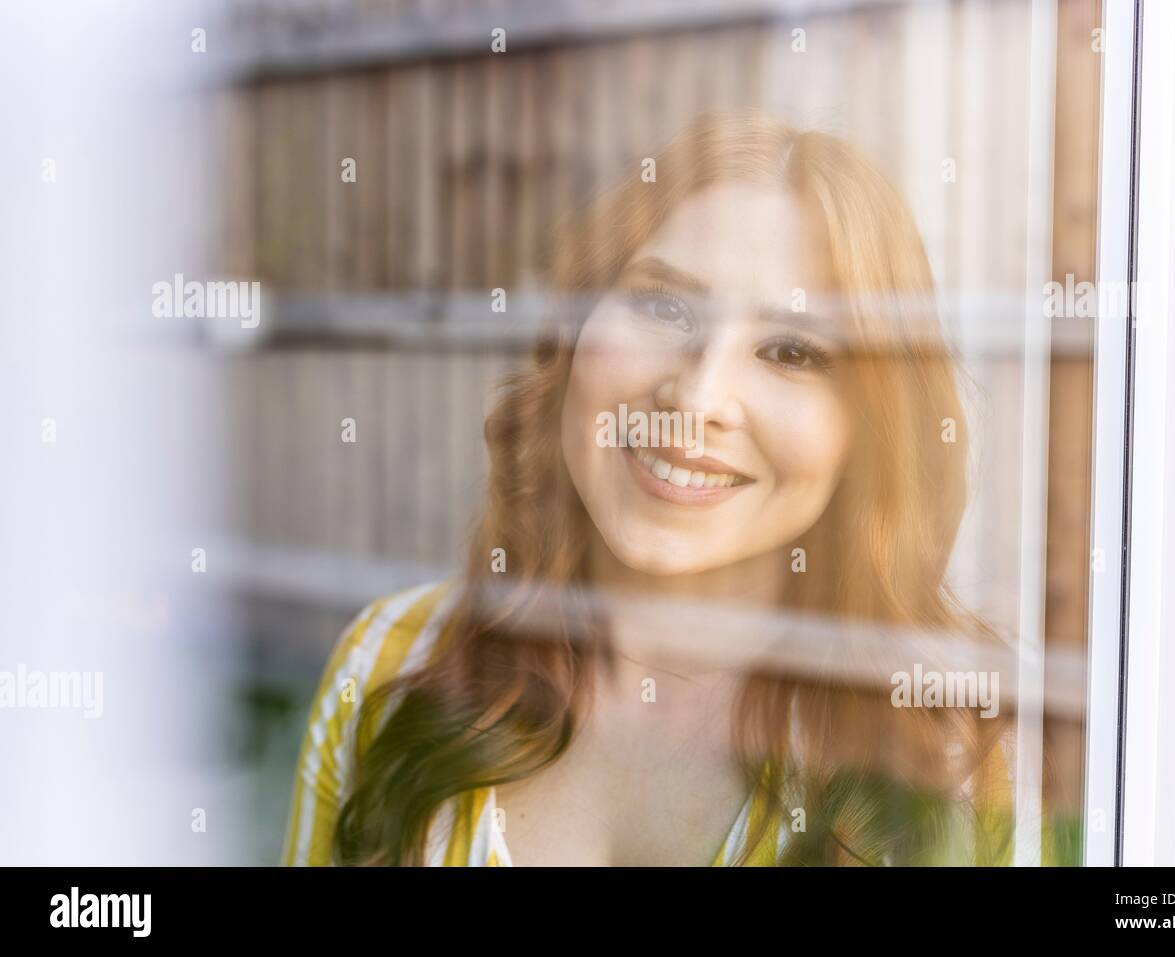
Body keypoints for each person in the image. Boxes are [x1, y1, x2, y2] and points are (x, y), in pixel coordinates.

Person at [283, 110, 1013, 867]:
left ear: (869, 431)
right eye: (665, 306)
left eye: (791, 349)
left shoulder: (945, 756)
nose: (696, 399)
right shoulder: (391, 659)